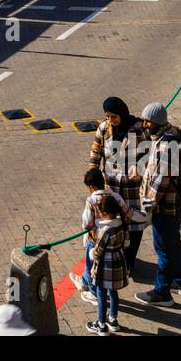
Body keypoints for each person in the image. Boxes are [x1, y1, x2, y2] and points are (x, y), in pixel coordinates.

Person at [135, 103, 181, 304]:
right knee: (174, 244)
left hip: (165, 207)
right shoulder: (171, 134)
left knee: (164, 250)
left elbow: (160, 181)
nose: (144, 124)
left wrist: (146, 206)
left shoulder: (165, 146)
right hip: (175, 205)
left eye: (147, 121)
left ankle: (162, 293)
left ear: (157, 122)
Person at [86, 96, 148, 270]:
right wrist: (93, 175)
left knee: (134, 226)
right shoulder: (104, 128)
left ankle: (128, 263)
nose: (110, 120)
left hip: (132, 189)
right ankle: (115, 259)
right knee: (113, 224)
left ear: (122, 113)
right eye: (108, 116)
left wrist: (140, 167)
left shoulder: (139, 129)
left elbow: (150, 153)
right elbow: (95, 152)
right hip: (111, 188)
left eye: (114, 117)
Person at [77, 167, 130, 306]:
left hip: (95, 240)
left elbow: (87, 222)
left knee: (92, 265)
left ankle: (94, 292)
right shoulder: (116, 196)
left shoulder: (92, 200)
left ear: (91, 186)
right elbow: (126, 213)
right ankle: (92, 286)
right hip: (114, 240)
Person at [86, 193, 130, 336]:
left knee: (101, 294)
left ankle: (101, 324)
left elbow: (97, 253)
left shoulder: (104, 231)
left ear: (103, 212)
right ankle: (113, 320)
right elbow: (127, 243)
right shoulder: (122, 224)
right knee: (113, 292)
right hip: (118, 263)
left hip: (105, 267)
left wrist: (91, 251)